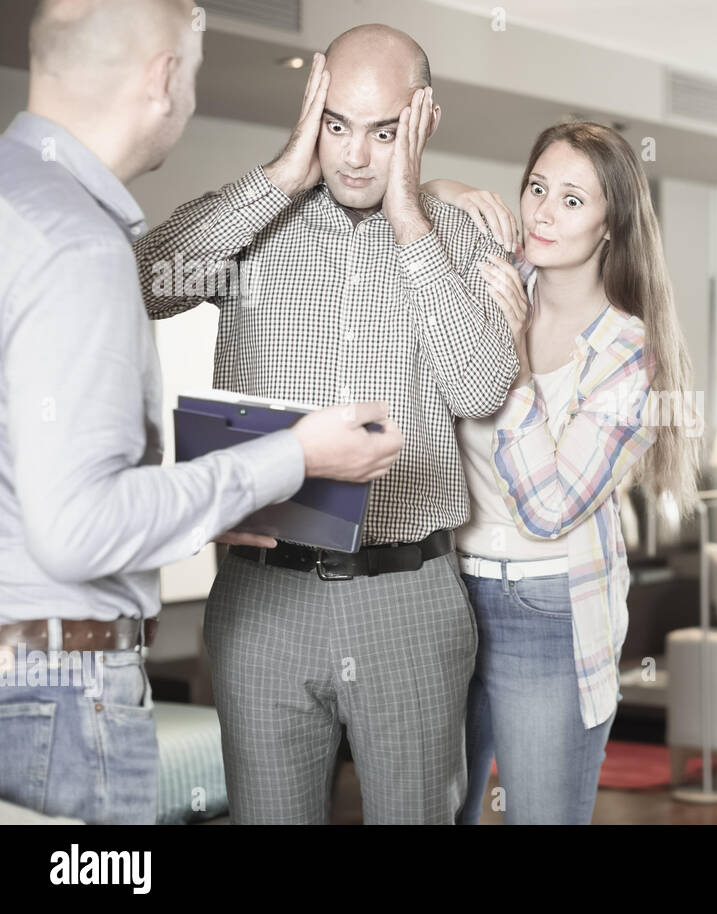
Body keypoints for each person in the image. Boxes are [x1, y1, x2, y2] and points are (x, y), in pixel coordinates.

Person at [0, 0, 402, 825]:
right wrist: (295, 457)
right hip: (57, 695)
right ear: (164, 79)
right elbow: (75, 529)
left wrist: (207, 502)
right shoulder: (78, 245)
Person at [132, 24, 519, 824]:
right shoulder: (251, 223)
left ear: (424, 120)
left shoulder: (460, 237)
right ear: (311, 110)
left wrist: (412, 220)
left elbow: (480, 388)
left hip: (408, 602)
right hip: (262, 602)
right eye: (337, 125)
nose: (355, 157)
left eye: (384, 133)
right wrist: (281, 174)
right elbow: (141, 284)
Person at [423, 121, 699, 824]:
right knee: (434, 813)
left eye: (573, 200)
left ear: (611, 225)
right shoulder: (496, 276)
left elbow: (547, 508)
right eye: (536, 188)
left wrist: (516, 359)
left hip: (548, 608)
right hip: (446, 588)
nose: (543, 213)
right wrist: (456, 191)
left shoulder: (629, 354)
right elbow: (411, 216)